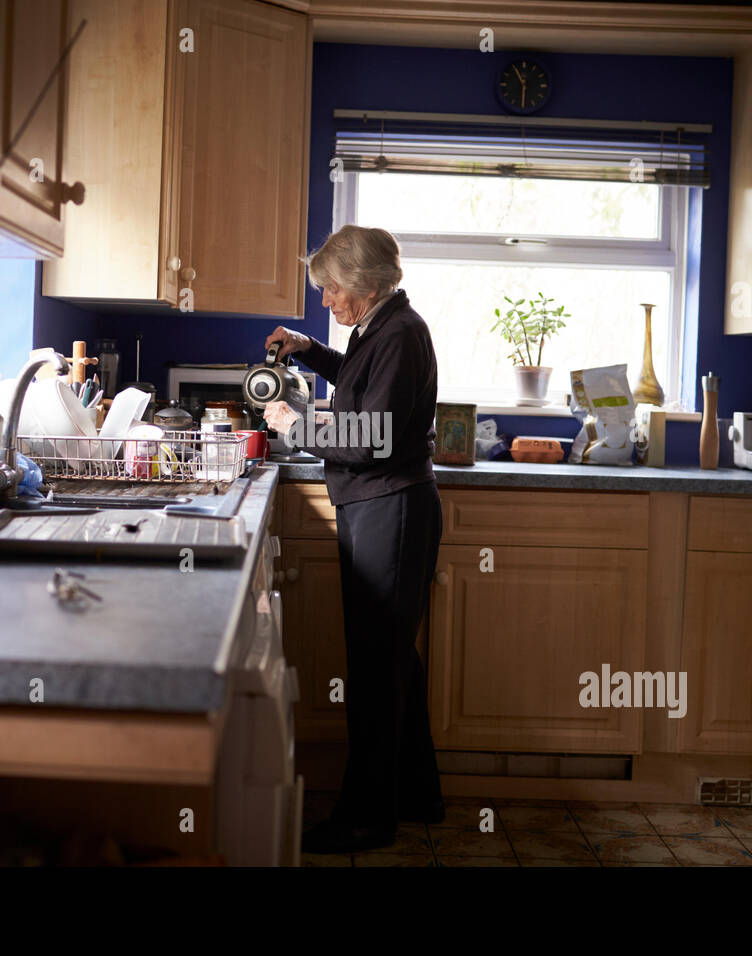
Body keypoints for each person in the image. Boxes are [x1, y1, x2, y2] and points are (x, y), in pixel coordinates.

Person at [263, 224, 444, 853]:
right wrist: (311, 349)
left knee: (374, 669)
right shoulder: (383, 328)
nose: (326, 300)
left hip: (388, 511)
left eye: (331, 289)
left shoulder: (399, 332)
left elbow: (373, 436)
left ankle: (367, 817)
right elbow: (361, 381)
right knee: (394, 661)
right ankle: (416, 794)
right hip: (384, 507)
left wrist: (294, 422)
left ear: (365, 284)